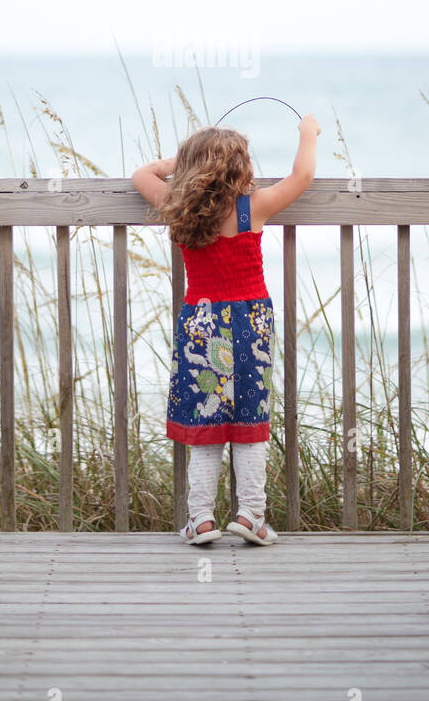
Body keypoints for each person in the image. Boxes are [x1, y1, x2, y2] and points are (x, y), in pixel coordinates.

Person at [131, 114, 321, 545]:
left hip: (202, 326)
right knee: (249, 421)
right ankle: (251, 515)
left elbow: (141, 174)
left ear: (193, 167)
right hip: (250, 325)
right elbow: (303, 174)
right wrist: (307, 131)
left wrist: (180, 164)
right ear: (241, 169)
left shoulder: (175, 205)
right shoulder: (251, 208)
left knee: (206, 422)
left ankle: (201, 519)